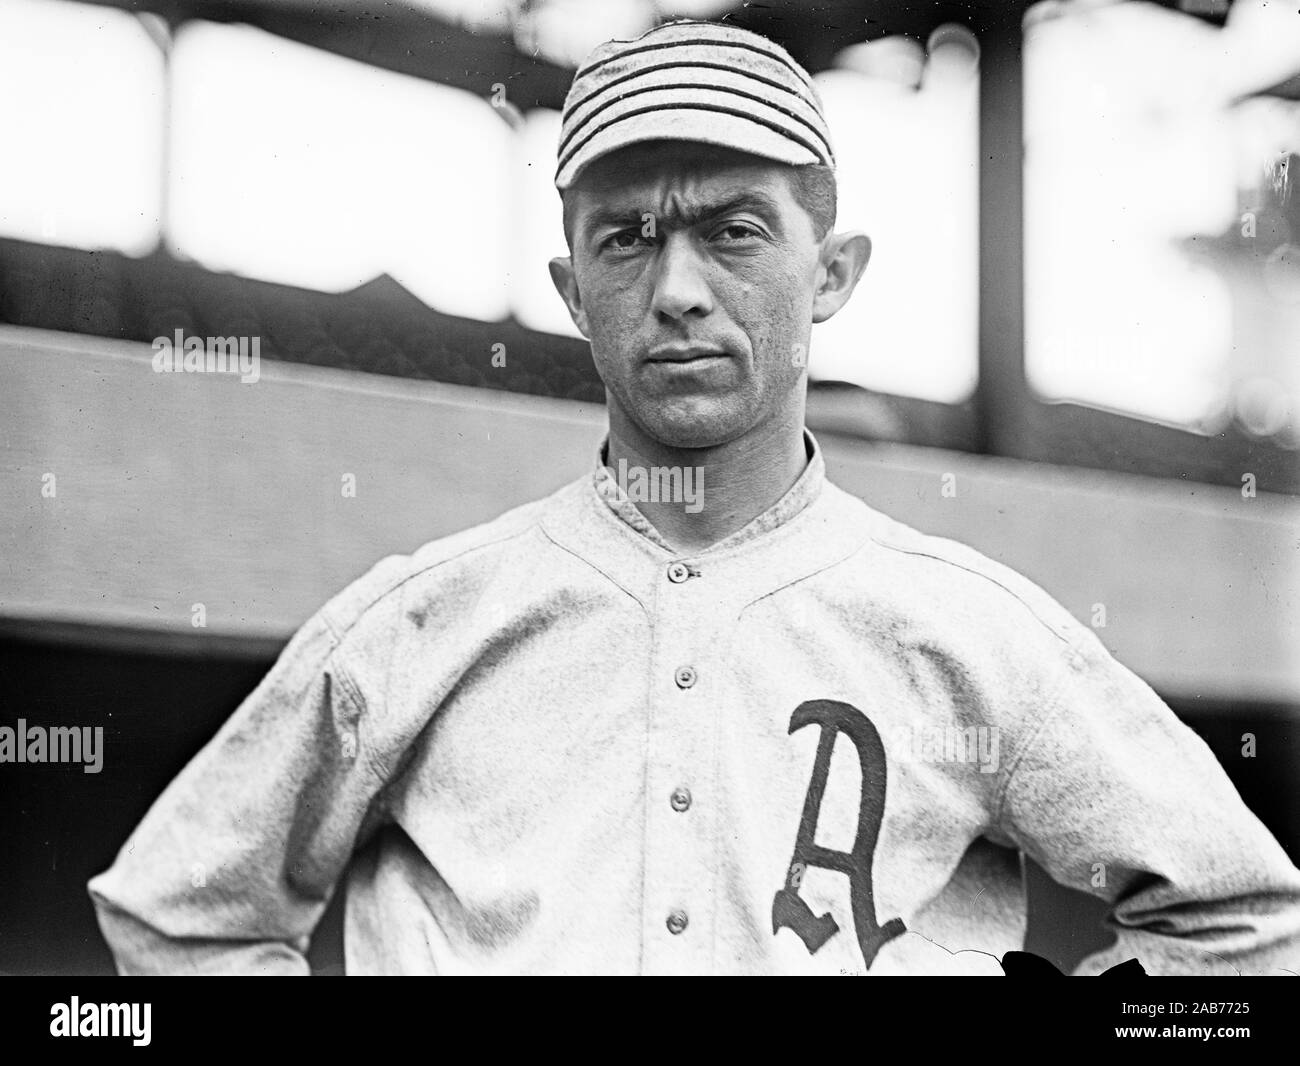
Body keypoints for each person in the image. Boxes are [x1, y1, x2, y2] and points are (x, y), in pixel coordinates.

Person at [88, 19, 1300, 976]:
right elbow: (179, 913)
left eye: (732, 231)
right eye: (625, 239)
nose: (677, 290)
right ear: (571, 289)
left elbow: (1244, 922)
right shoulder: (421, 621)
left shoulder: (968, 632)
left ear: (830, 275)